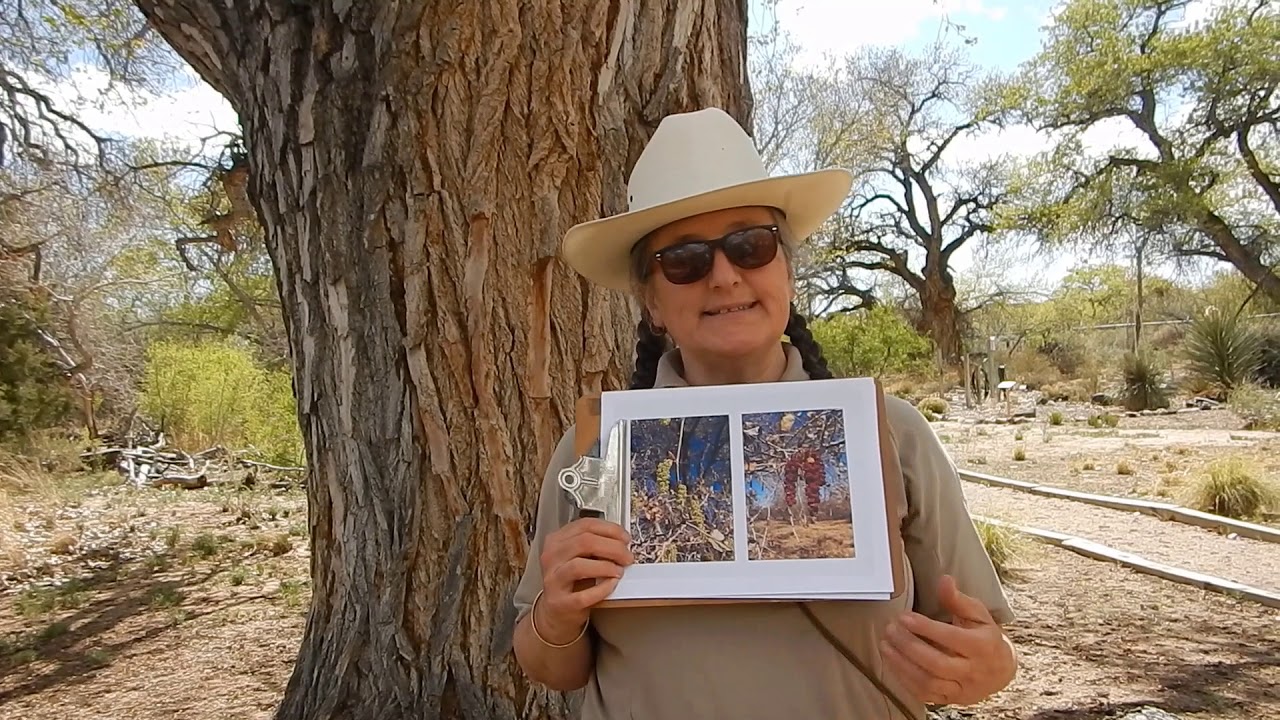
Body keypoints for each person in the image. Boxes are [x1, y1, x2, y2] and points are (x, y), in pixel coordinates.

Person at [511, 107, 1017, 720]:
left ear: (786, 269)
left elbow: (978, 637)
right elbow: (552, 666)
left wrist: (986, 665)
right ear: (650, 299)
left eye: (751, 246)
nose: (724, 277)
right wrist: (556, 614)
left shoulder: (894, 433)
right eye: (685, 261)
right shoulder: (596, 453)